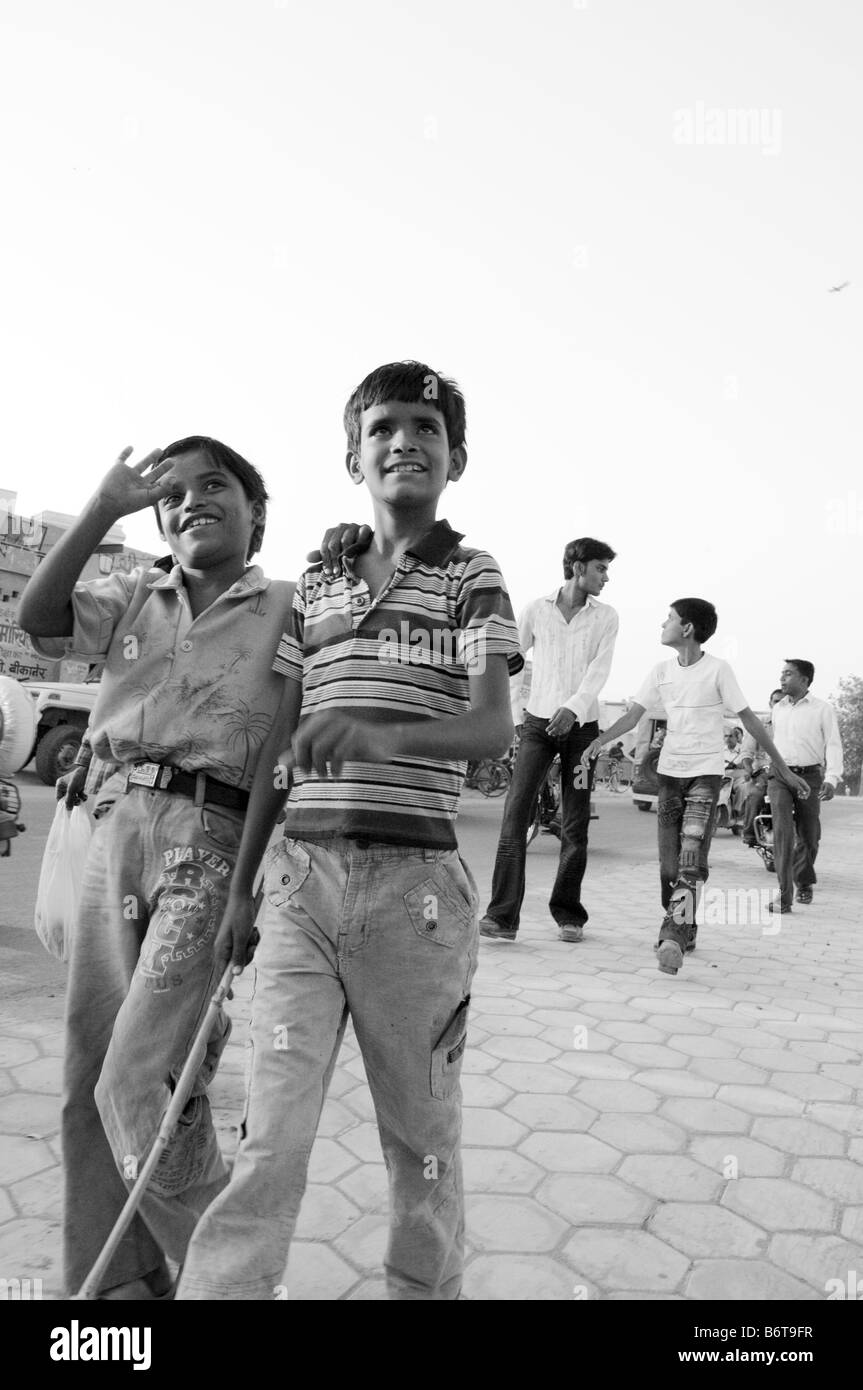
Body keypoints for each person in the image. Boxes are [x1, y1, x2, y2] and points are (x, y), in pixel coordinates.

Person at [175, 361, 522, 1301]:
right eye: (381, 428)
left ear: (456, 457)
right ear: (351, 456)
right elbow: (278, 748)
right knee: (269, 1141)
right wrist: (244, 890)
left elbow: (494, 730)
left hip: (417, 898)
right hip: (299, 889)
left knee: (422, 1139)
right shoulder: (320, 578)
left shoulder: (470, 574)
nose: (403, 440)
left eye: (425, 426)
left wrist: (379, 731)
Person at [19, 438, 358, 1300]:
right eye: (173, 493)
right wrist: (102, 508)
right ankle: (120, 1287)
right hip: (110, 831)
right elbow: (36, 619)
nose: (193, 500)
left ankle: (232, 1279)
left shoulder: (286, 604)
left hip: (210, 843)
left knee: (141, 1077)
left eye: (218, 486)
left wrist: (247, 884)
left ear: (256, 515)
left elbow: (301, 732)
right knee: (89, 1074)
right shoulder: (137, 594)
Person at [581, 599, 809, 975]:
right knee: (668, 870)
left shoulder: (718, 670)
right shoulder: (660, 671)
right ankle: (686, 925)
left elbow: (750, 720)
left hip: (704, 777)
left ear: (687, 628)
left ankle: (672, 936)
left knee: (691, 862)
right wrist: (597, 742)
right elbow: (633, 715)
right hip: (670, 778)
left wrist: (781, 769)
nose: (663, 623)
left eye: (669, 618)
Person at [479, 538, 618, 944]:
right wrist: (517, 714)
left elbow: (599, 670)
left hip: (582, 732)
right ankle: (502, 917)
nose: (605, 577)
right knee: (515, 815)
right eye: (600, 569)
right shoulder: (536, 610)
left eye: (607, 570)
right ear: (577, 568)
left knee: (575, 824)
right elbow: (512, 661)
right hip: (537, 727)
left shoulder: (606, 617)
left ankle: (568, 914)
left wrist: (573, 708)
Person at [767, 659, 844, 912]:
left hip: (809, 778)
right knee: (782, 834)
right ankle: (784, 895)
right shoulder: (778, 708)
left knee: (809, 835)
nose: (782, 678)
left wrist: (832, 778)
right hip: (780, 776)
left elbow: (833, 744)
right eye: (782, 674)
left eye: (788, 674)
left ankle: (804, 881)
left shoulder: (822, 709)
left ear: (804, 679)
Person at [739, 688, 783, 846]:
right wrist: (748, 768)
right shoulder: (760, 723)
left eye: (783, 701)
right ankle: (749, 833)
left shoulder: (794, 723)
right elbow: (747, 751)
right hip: (763, 773)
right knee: (756, 794)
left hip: (787, 772)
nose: (779, 704)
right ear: (770, 703)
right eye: (776, 701)